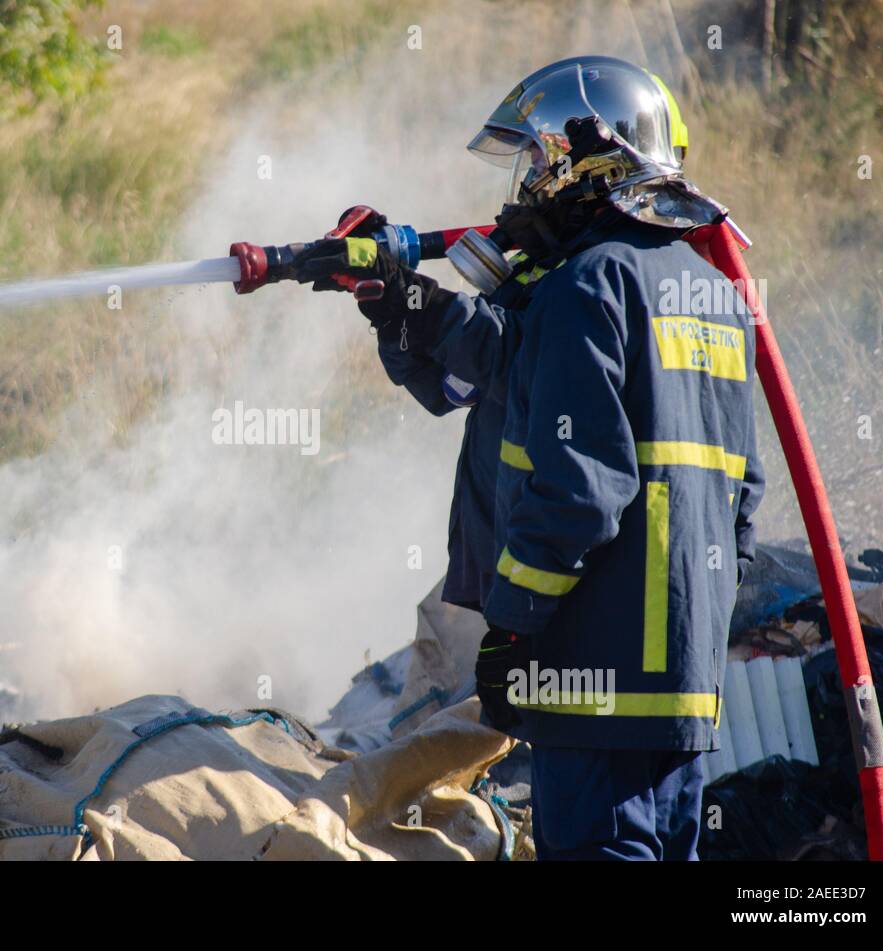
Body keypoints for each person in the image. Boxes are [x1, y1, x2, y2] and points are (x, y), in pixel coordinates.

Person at [293, 56, 763, 860]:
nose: (523, 189)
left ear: (587, 158)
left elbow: (583, 488)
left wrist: (511, 626)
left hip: (593, 671)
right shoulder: (710, 295)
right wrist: (398, 297)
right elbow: (741, 496)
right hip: (682, 679)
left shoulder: (589, 285)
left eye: (536, 164)